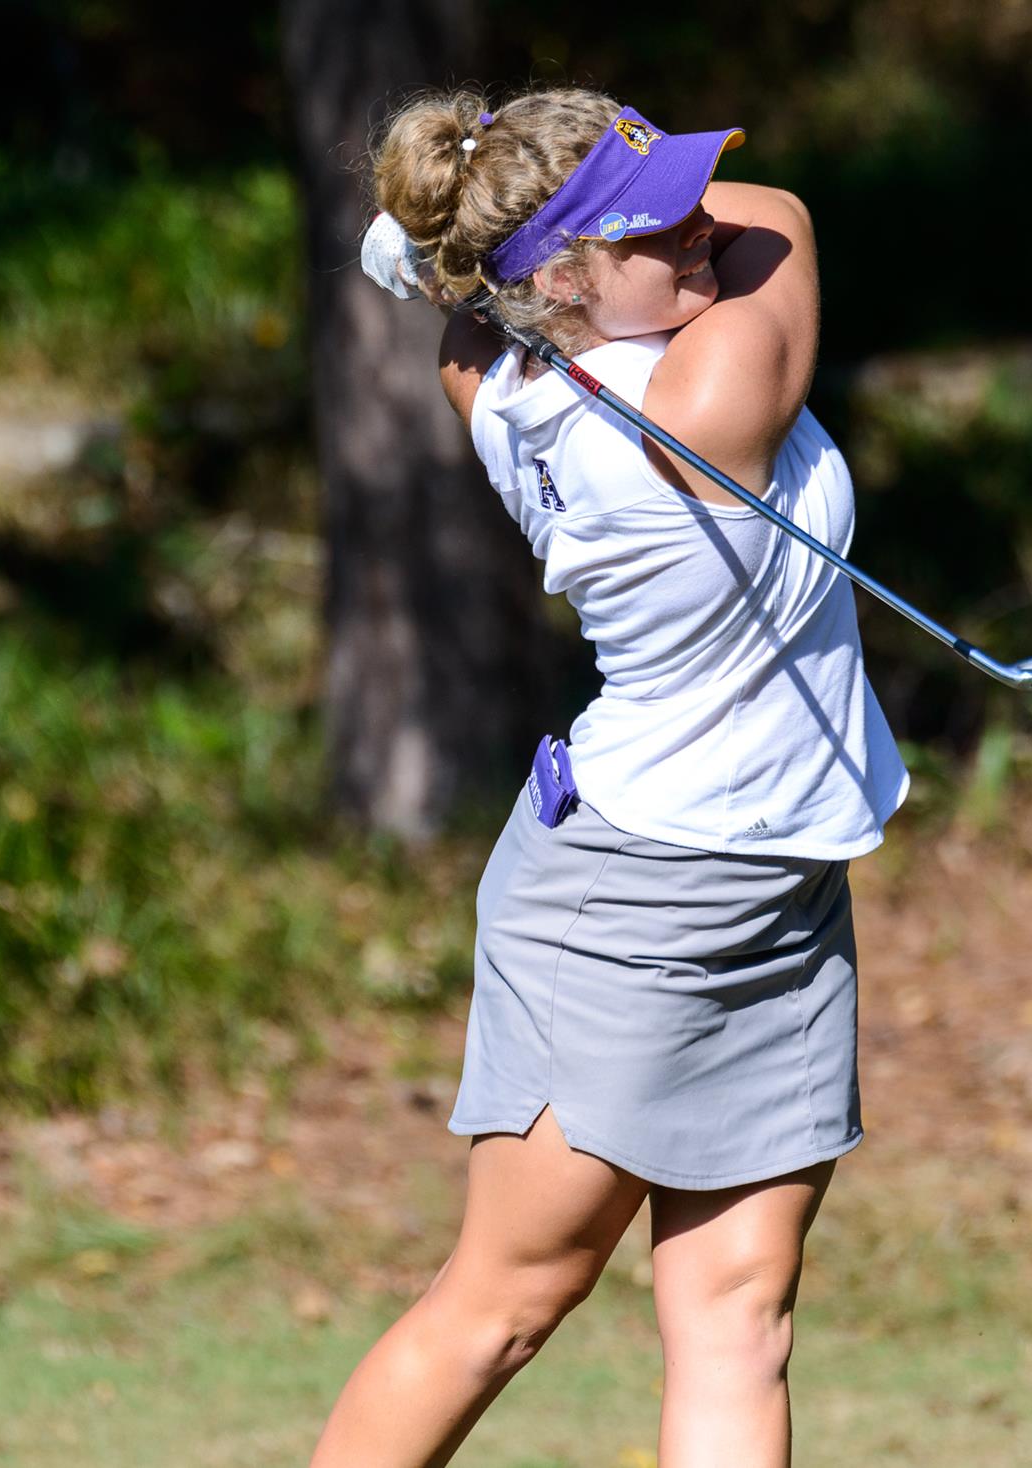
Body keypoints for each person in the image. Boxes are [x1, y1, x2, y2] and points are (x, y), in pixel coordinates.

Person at [307, 86, 909, 1468]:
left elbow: (500, 285)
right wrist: (472, 233)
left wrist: (451, 241)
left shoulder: (492, 366)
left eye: (690, 200)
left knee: (739, 1314)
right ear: (562, 278)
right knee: (507, 1304)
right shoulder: (704, 398)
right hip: (633, 907)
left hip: (774, 890)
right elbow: (788, 217)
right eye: (657, 227)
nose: (702, 230)